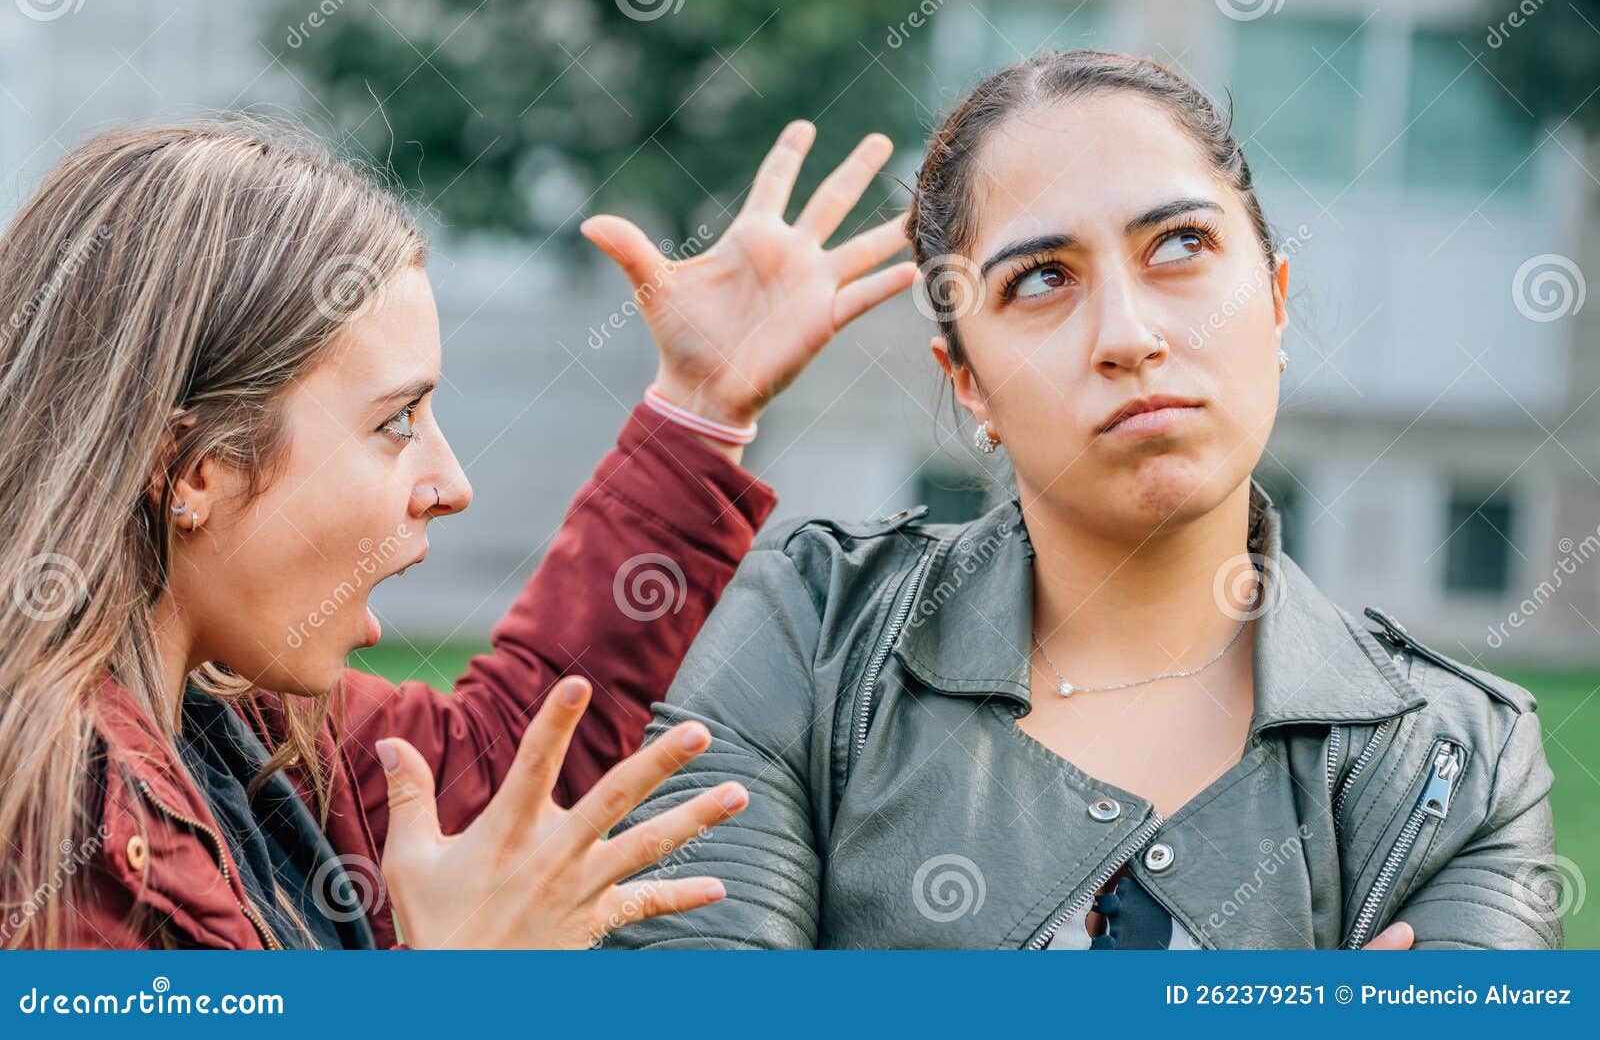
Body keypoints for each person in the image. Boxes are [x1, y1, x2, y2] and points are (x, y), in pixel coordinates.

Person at [602, 50, 1564, 951]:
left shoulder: (1457, 758)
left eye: (1181, 243)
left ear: (1273, 301)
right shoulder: (805, 636)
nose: (1129, 334)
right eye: (1043, 279)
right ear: (967, 378)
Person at [0, 117, 915, 949]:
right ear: (193, 471)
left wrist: (702, 408)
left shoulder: (235, 716)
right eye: (396, 422)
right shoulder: (59, 825)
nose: (452, 485)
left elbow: (504, 763)